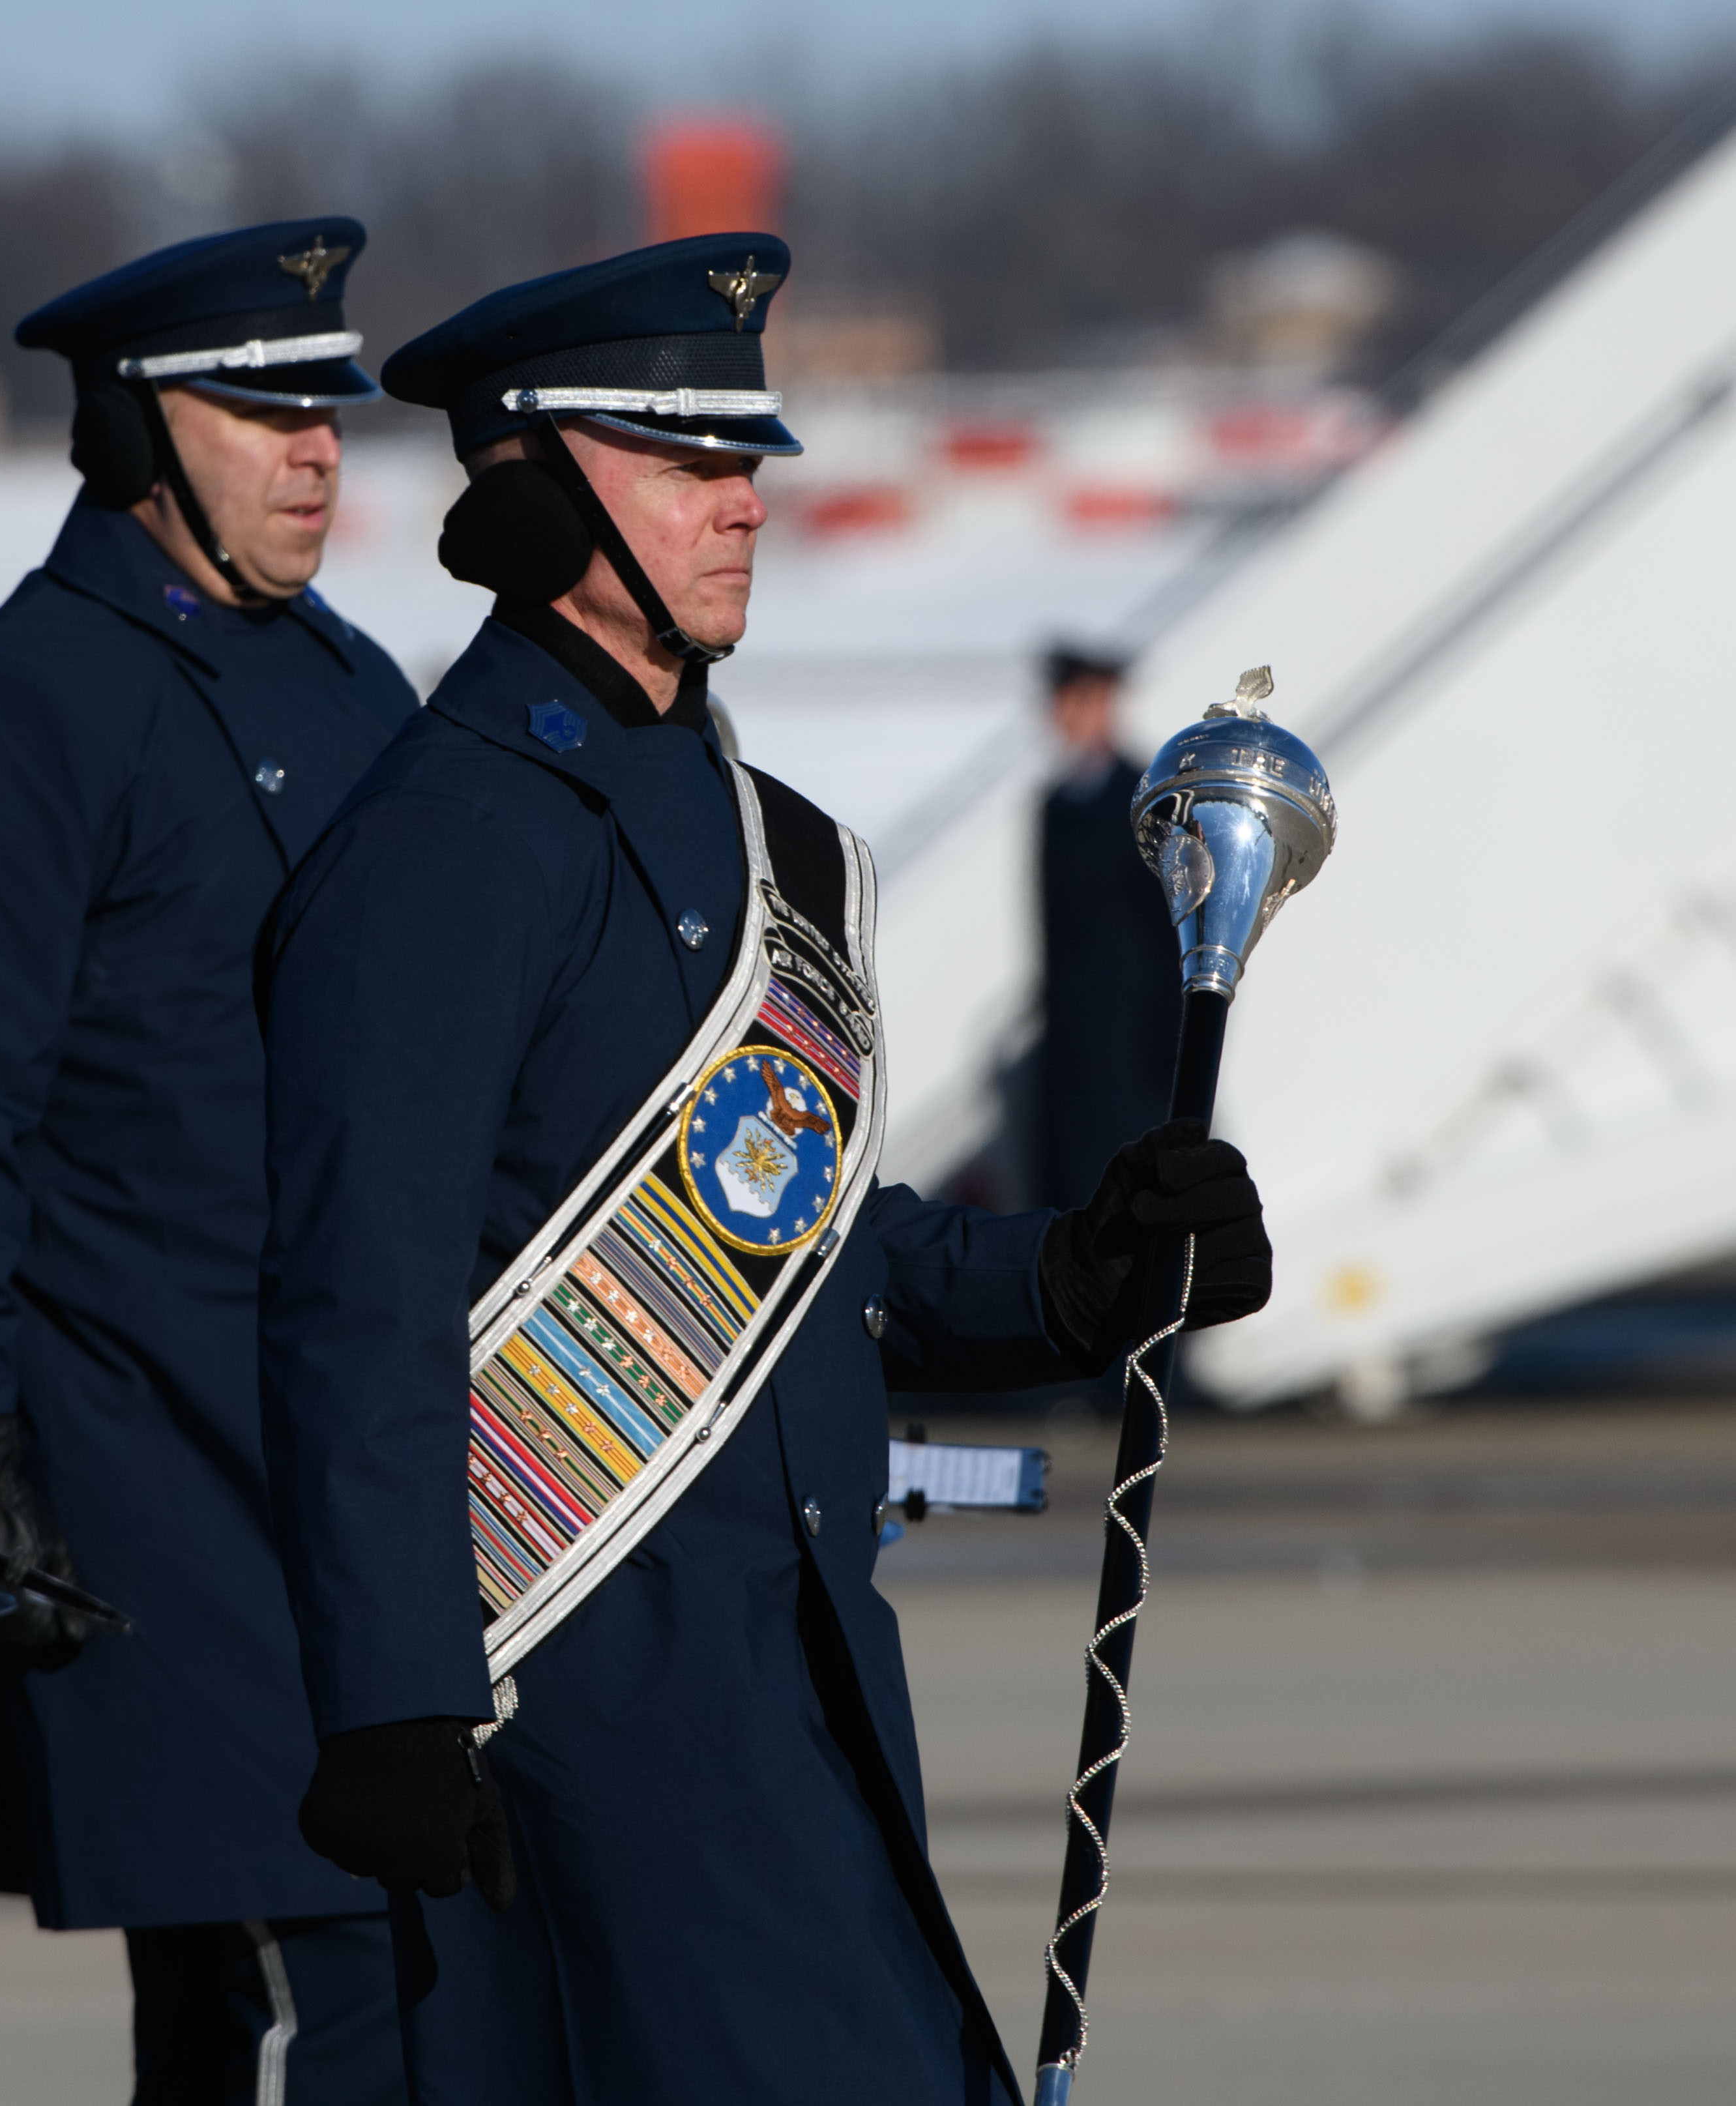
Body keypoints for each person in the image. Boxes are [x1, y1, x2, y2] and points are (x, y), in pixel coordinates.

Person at [254, 235, 1276, 2103]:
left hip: (790, 1663)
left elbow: (800, 1248)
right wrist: (392, 1693)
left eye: (745, 463)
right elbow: (355, 1295)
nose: (742, 505)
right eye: (682, 465)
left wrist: (1066, 1273)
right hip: (568, 1679)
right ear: (527, 496)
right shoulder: (443, 841)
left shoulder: (758, 834)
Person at [0, 218, 420, 2103]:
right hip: (147, 1458)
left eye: (325, 409)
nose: (313, 448)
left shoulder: (351, 683)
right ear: (130, 434)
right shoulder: (17, 707)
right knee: (313, 1972)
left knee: (364, 1981)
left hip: (358, 1444)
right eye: (257, 408)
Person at [1035, 641, 1181, 1208]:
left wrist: (1168, 1045)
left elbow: (1171, 924)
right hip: (1074, 1046)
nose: (1061, 715)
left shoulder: (1148, 798)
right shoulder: (1056, 803)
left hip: (1135, 1048)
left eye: (1076, 699)